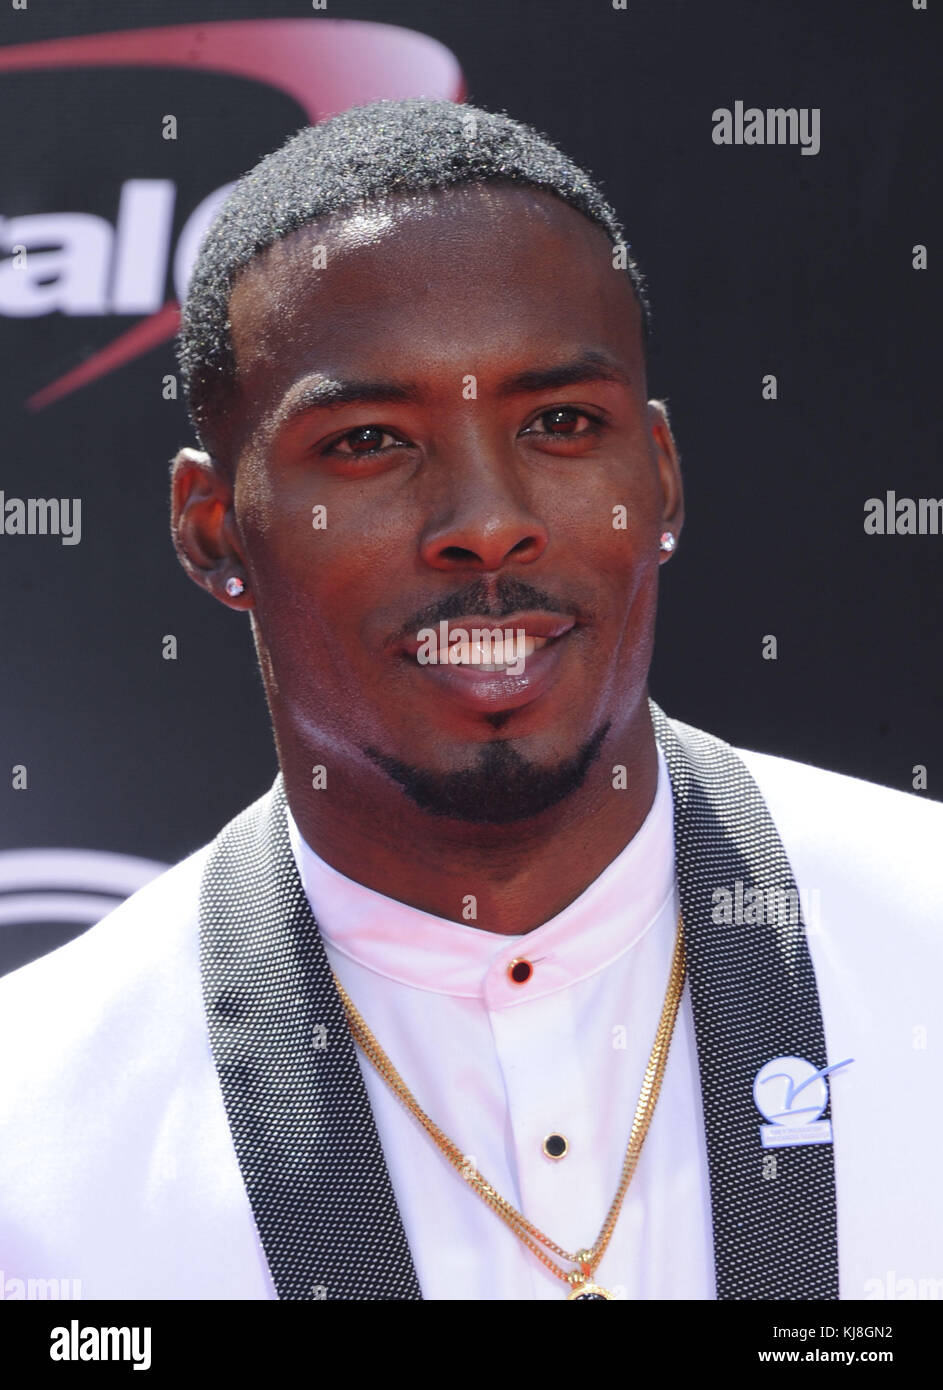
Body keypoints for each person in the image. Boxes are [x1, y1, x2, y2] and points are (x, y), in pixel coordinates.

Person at [1, 99, 940, 1303]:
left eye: (559, 423)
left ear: (659, 478)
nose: (488, 521)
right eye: (369, 441)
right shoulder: (37, 1133)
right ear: (213, 528)